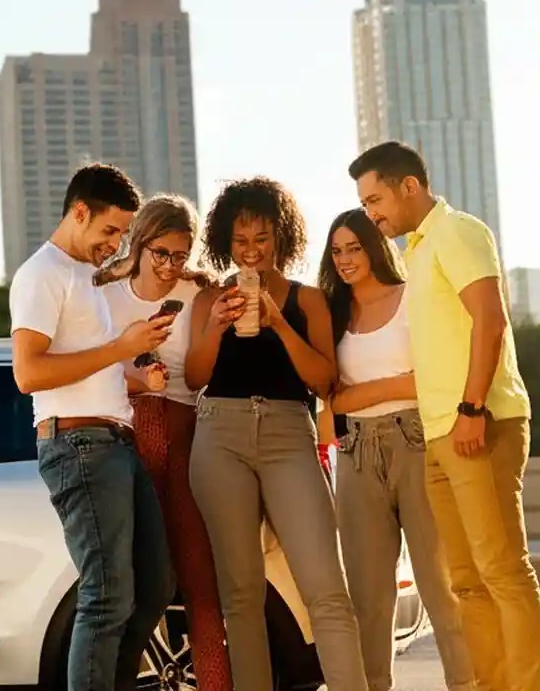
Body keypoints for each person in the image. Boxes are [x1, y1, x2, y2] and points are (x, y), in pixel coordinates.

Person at [349, 141, 540, 691]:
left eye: (375, 200)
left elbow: (489, 320)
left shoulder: (458, 231)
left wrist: (471, 409)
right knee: (464, 581)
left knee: (503, 571)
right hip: (438, 432)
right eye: (365, 205)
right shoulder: (415, 251)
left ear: (408, 186)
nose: (372, 214)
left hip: (478, 423)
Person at [183, 176, 369, 691]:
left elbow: (324, 380)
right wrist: (219, 326)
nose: (251, 251)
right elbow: (196, 378)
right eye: (240, 241)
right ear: (225, 242)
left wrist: (278, 325)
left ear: (281, 237)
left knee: (326, 589)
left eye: (261, 239)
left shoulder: (308, 301)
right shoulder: (209, 301)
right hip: (220, 436)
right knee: (240, 596)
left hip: (289, 436)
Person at [9, 162, 178, 691]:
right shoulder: (43, 274)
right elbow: (28, 373)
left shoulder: (83, 277)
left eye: (122, 234)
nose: (114, 243)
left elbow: (87, 364)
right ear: (79, 212)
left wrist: (136, 378)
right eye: (109, 230)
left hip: (115, 441)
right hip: (79, 446)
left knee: (153, 587)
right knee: (106, 597)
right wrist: (119, 348)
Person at [318, 207, 475, 690]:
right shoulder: (331, 313)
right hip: (356, 453)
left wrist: (368, 392)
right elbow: (330, 405)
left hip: (417, 442)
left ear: (374, 247)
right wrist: (393, 385)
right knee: (368, 598)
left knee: (441, 586)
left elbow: (432, 377)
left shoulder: (412, 298)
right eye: (337, 250)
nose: (346, 259)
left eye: (355, 247)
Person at [93, 194, 231, 691]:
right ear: (139, 243)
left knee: (202, 584)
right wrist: (136, 383)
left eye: (181, 254)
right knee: (124, 592)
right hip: (126, 434)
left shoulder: (198, 293)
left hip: (187, 431)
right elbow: (95, 374)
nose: (173, 267)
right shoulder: (105, 295)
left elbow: (195, 378)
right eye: (162, 255)